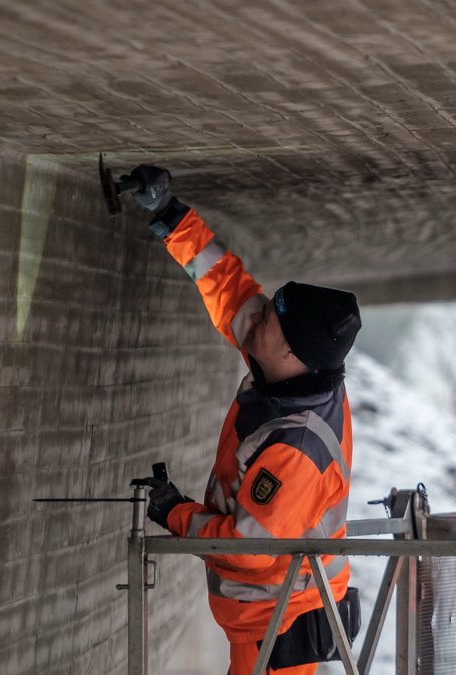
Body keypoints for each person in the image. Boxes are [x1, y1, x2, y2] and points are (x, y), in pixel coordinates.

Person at [129, 165, 362, 675]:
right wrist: (170, 215)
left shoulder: (295, 448)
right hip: (269, 625)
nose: (251, 320)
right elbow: (230, 289)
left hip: (280, 635)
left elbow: (250, 548)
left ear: (291, 353)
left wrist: (174, 513)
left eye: (266, 321)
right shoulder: (287, 368)